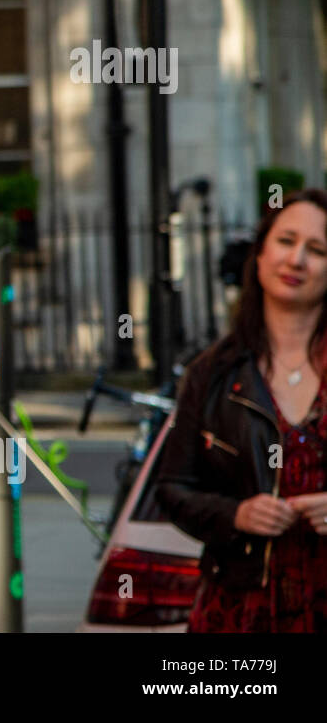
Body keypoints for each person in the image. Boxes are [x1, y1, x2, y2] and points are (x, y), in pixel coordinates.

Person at [156, 189, 327, 632]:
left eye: (317, 250)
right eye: (286, 241)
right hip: (239, 610)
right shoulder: (211, 372)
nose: (297, 260)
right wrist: (235, 515)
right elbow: (173, 488)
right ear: (261, 253)